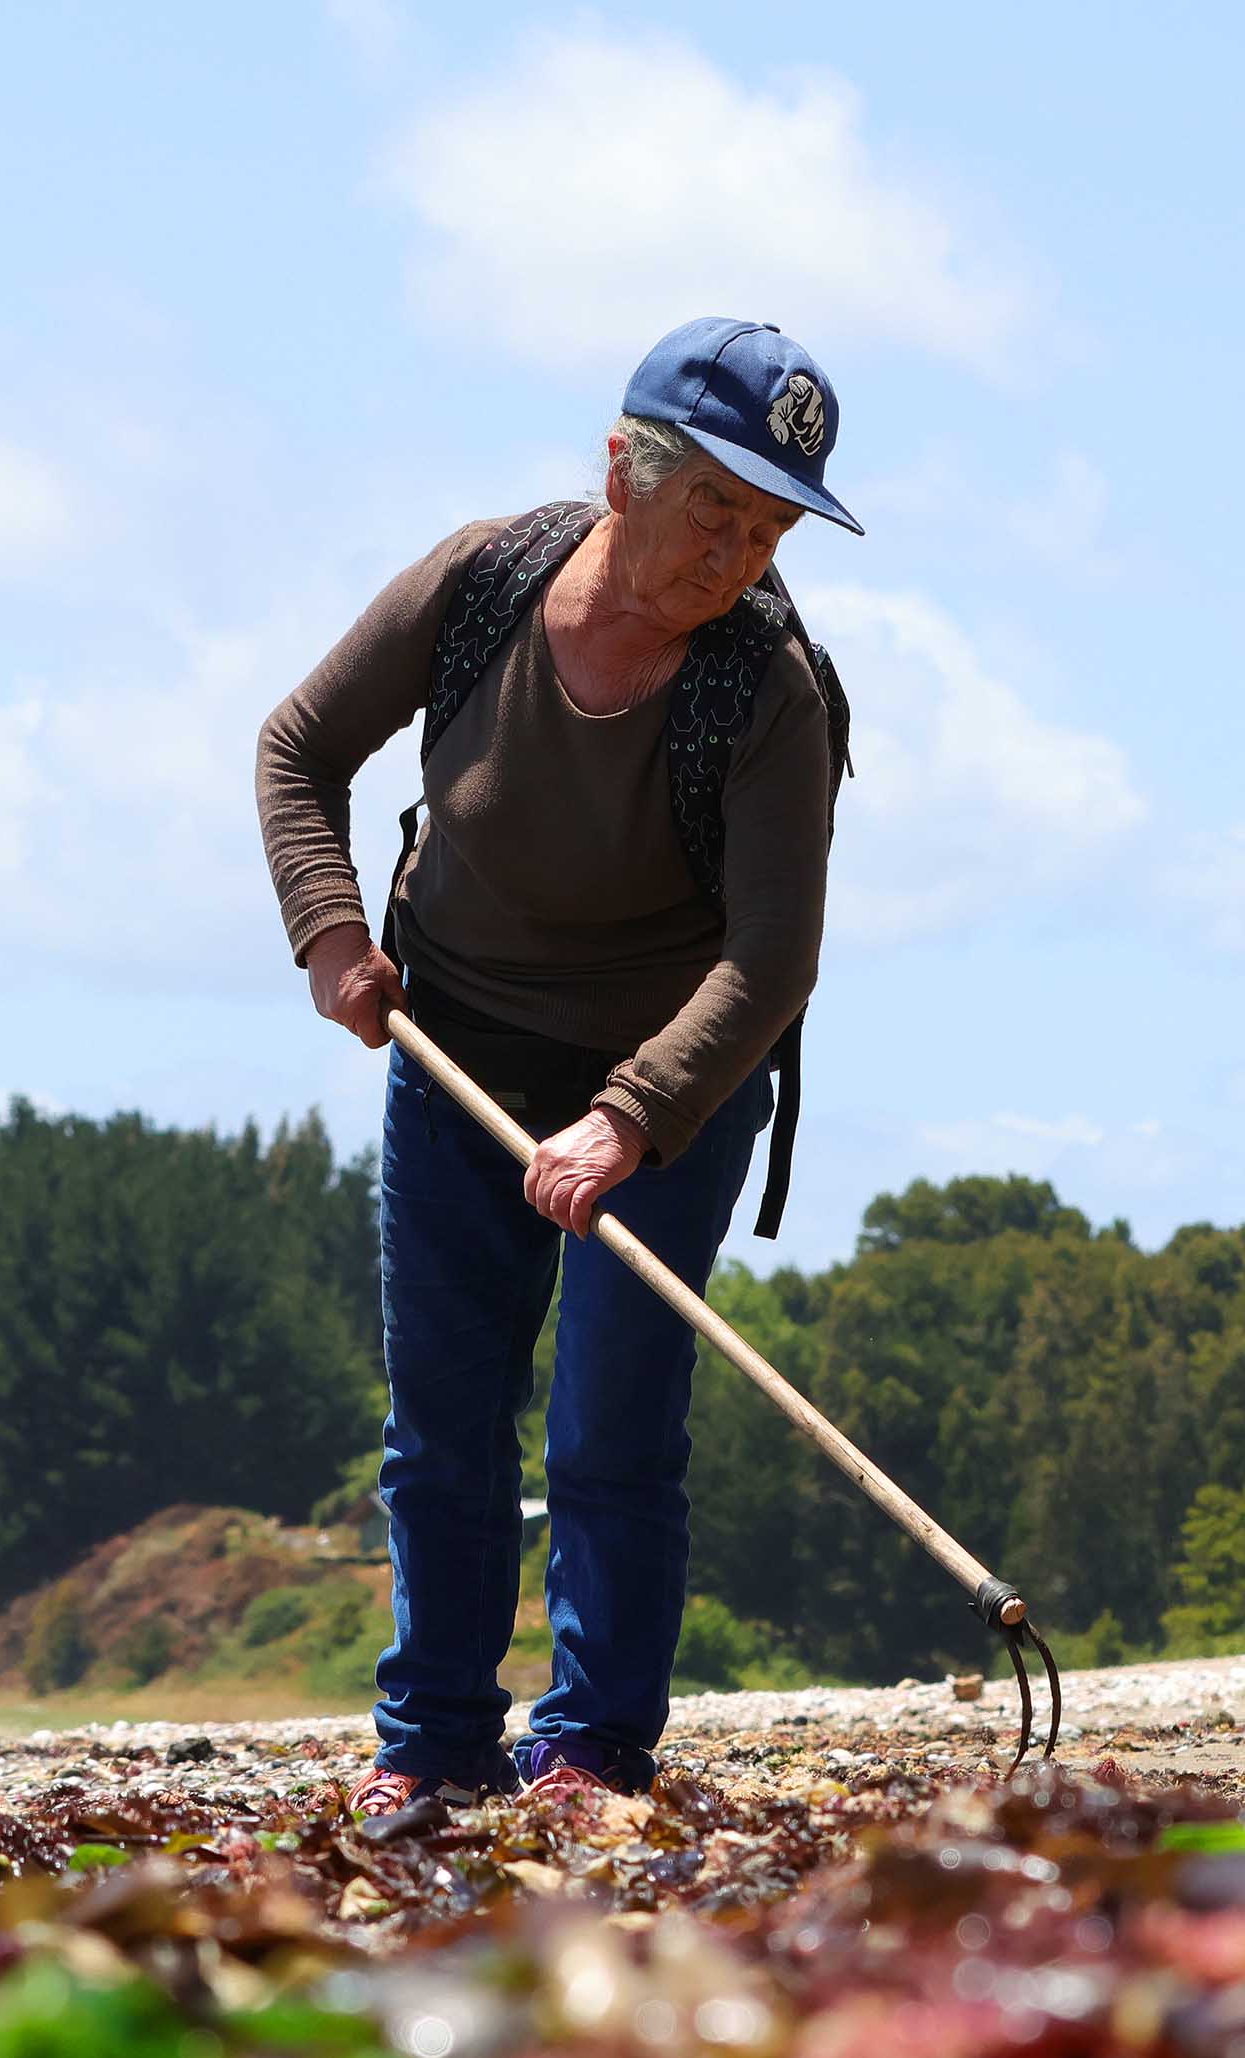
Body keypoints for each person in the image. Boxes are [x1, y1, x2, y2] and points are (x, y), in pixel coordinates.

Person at [253, 318, 858, 1826]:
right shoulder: (484, 580)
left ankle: (591, 1749)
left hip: (673, 1087)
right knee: (444, 1420)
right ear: (621, 469)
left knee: (610, 1423)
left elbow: (772, 958)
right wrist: (333, 936)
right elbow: (296, 750)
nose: (738, 553)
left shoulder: (772, 686)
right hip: (457, 1050)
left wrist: (628, 1118)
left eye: (772, 524)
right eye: (715, 506)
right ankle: (435, 1741)